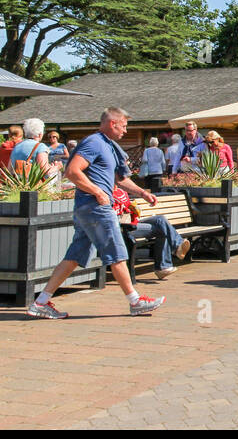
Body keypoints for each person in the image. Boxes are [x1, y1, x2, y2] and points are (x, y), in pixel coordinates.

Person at [27, 107, 164, 318]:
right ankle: (135, 301)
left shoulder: (109, 146)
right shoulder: (94, 142)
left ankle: (41, 302)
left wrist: (142, 193)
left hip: (89, 207)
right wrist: (97, 191)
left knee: (75, 256)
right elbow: (72, 171)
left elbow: (119, 178)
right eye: (124, 126)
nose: (126, 131)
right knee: (116, 252)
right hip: (96, 207)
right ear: (113, 123)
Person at [112, 186, 192, 278]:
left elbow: (128, 206)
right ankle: (165, 265)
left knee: (160, 220)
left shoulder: (121, 191)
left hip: (132, 220)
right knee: (162, 229)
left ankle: (178, 246)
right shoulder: (106, 193)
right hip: (123, 228)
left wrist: (133, 208)